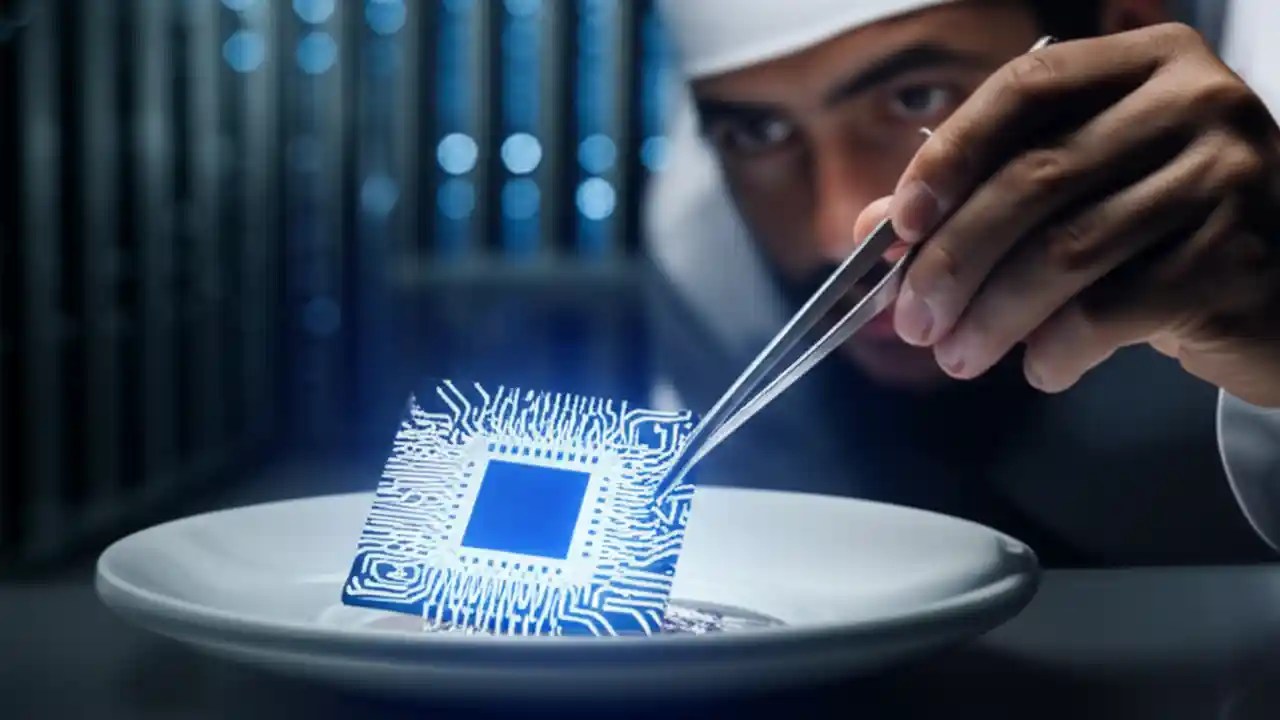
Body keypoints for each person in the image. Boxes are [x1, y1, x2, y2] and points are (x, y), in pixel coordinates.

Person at [644, 0, 1280, 565]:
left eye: (915, 97)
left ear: (1120, 40)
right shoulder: (707, 257)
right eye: (758, 132)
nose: (838, 234)